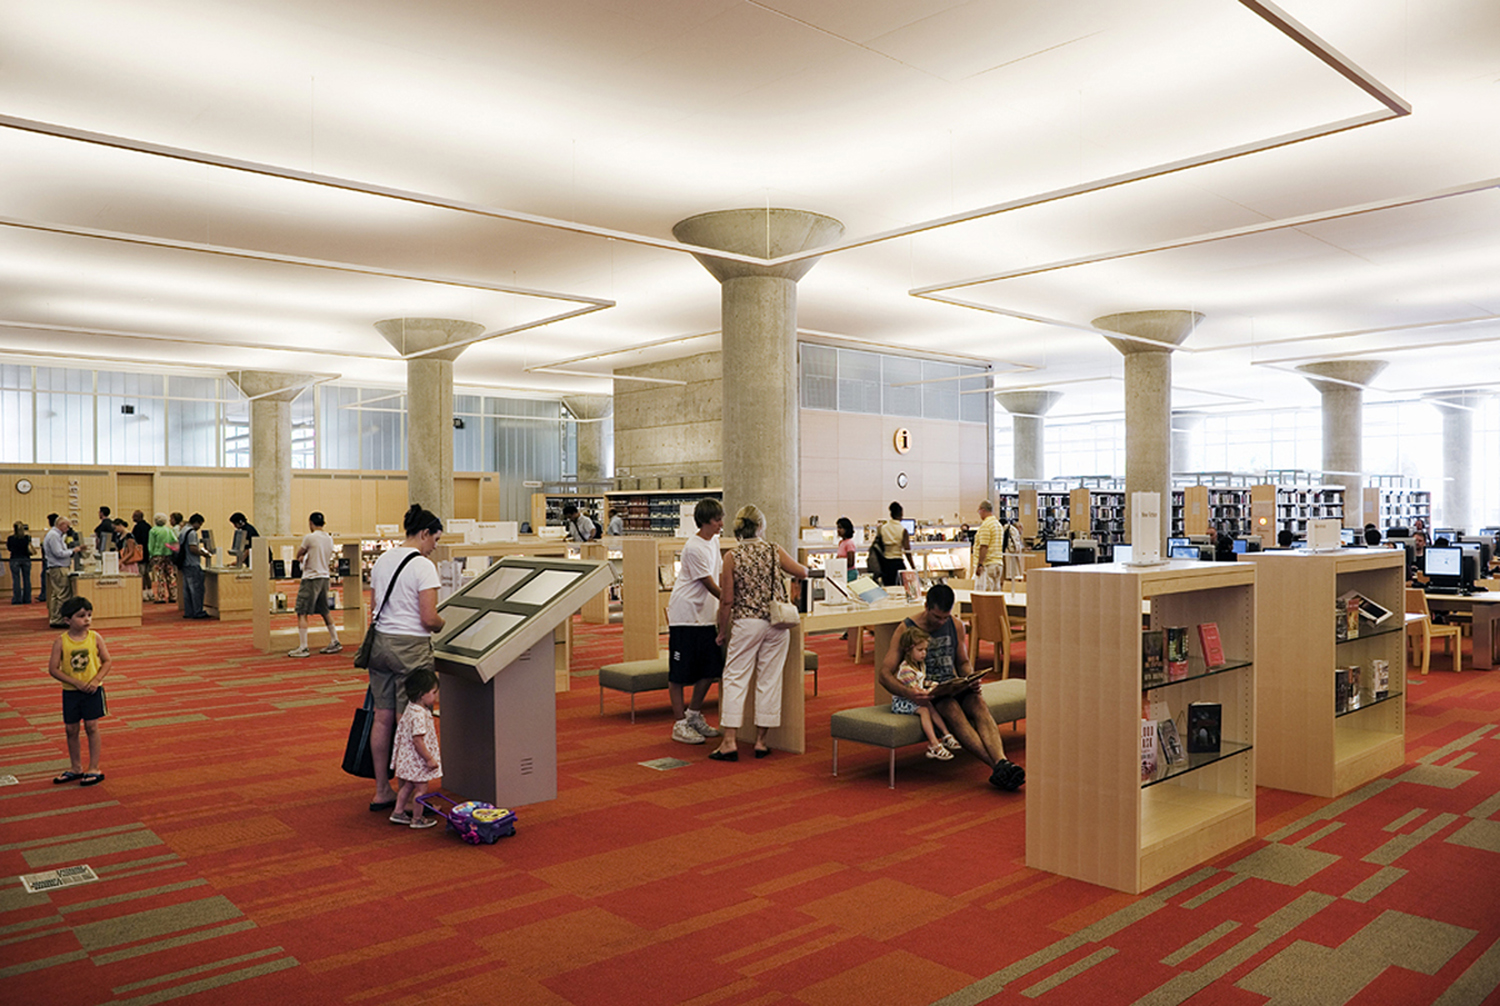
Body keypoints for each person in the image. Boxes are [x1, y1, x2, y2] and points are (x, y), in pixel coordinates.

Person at [877, 583, 1025, 791]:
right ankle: (998, 766)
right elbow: (884, 674)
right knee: (952, 710)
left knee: (979, 705)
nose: (941, 622)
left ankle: (1002, 762)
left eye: (945, 617)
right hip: (928, 693)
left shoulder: (955, 625)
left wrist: (970, 678)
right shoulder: (907, 628)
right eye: (937, 617)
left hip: (953, 685)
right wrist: (911, 693)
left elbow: (962, 662)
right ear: (927, 606)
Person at [709, 504, 808, 761]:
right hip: (777, 622)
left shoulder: (732, 556)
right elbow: (802, 572)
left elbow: (727, 600)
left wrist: (722, 630)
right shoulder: (774, 550)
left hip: (747, 622)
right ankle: (761, 741)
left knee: (734, 677)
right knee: (769, 679)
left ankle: (730, 740)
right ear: (761, 527)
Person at [365, 504, 445, 813]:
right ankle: (409, 796)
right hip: (410, 648)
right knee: (410, 719)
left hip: (380, 645)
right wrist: (442, 622)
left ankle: (382, 790)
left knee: (382, 717)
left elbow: (374, 607)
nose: (434, 547)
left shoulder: (384, 559)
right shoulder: (423, 566)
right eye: (434, 540)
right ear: (424, 533)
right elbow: (428, 618)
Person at [667, 498, 725, 745]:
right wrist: (732, 601)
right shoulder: (693, 548)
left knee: (711, 670)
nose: (721, 523)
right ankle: (679, 724)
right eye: (717, 519)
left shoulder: (715, 541)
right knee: (679, 673)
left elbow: (720, 575)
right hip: (685, 616)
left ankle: (693, 715)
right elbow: (709, 584)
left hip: (706, 617)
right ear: (705, 521)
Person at [48, 596, 112, 786]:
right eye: (81, 616)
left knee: (92, 727)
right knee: (71, 729)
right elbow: (53, 669)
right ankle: (76, 767)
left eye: (89, 615)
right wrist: (74, 682)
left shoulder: (95, 637)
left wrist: (96, 680)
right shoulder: (61, 642)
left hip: (93, 690)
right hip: (71, 692)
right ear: (67, 620)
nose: (87, 620)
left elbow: (107, 661)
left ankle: (94, 767)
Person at [891, 625, 959, 761]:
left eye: (925, 650)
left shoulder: (920, 664)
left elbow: (923, 681)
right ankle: (934, 744)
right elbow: (916, 691)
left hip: (914, 697)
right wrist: (932, 691)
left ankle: (946, 735)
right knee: (924, 709)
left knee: (929, 705)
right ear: (908, 650)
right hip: (901, 702)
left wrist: (935, 685)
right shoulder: (906, 670)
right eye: (920, 650)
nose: (924, 653)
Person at [389, 667, 442, 829]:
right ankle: (417, 818)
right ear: (422, 693)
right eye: (433, 692)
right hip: (417, 759)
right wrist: (429, 758)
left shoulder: (411, 707)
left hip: (407, 757)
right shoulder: (419, 714)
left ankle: (398, 812)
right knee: (421, 788)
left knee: (408, 785)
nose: (435, 696)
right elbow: (418, 740)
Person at [287, 512, 342, 657]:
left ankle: (303, 647)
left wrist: (301, 558)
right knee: (324, 611)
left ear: (311, 523)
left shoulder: (310, 537)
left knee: (302, 611)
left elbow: (299, 553)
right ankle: (335, 640)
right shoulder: (329, 538)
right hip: (324, 577)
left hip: (311, 578)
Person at [43, 516, 82, 627]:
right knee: (63, 595)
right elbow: (58, 553)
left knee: (56, 595)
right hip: (59, 567)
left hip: (57, 567)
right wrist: (73, 551)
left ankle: (55, 618)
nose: (68, 528)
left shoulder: (55, 535)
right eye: (67, 525)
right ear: (61, 525)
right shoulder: (54, 536)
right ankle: (59, 620)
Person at [179, 513, 213, 619]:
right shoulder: (192, 533)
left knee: (187, 590)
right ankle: (198, 611)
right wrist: (204, 554)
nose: (200, 528)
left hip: (184, 563)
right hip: (192, 563)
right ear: (197, 522)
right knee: (196, 589)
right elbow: (193, 548)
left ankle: (189, 611)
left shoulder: (183, 530)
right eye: (200, 525)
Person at [873, 502, 914, 587]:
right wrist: (912, 567)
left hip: (885, 564)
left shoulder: (882, 528)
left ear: (891, 514)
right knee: (899, 589)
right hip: (898, 563)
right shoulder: (903, 530)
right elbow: (907, 551)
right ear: (901, 514)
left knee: (888, 588)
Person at [973, 500, 1005, 591]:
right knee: (995, 593)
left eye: (979, 511)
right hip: (998, 563)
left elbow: (984, 546)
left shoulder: (986, 525)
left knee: (985, 594)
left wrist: (979, 564)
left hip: (987, 564)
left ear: (983, 510)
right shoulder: (998, 525)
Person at [147, 513, 177, 603]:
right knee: (170, 575)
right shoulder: (169, 530)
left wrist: (151, 555)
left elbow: (151, 544)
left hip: (157, 555)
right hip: (168, 555)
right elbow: (174, 541)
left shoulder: (153, 531)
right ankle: (173, 596)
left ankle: (161, 597)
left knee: (160, 576)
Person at [8, 521, 32, 605]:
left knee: (16, 579)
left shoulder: (11, 538)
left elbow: (9, 548)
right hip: (26, 559)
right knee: (27, 579)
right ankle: (27, 598)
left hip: (15, 558)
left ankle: (17, 599)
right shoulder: (27, 537)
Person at [131, 509, 152, 599]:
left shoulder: (137, 528)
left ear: (138, 517)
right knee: (147, 574)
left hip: (140, 554)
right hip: (148, 553)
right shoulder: (148, 526)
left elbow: (134, 541)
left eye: (134, 516)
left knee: (141, 574)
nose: (132, 518)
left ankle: (144, 593)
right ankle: (150, 592)